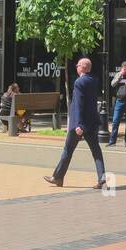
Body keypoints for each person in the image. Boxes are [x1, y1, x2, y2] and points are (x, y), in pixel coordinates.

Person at [45, 57, 106, 189]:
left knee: (67, 150)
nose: (76, 67)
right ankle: (102, 178)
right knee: (96, 151)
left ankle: (58, 177)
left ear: (83, 67)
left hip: (80, 124)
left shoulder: (79, 82)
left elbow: (78, 104)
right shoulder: (94, 80)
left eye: (78, 65)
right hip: (92, 122)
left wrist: (78, 124)